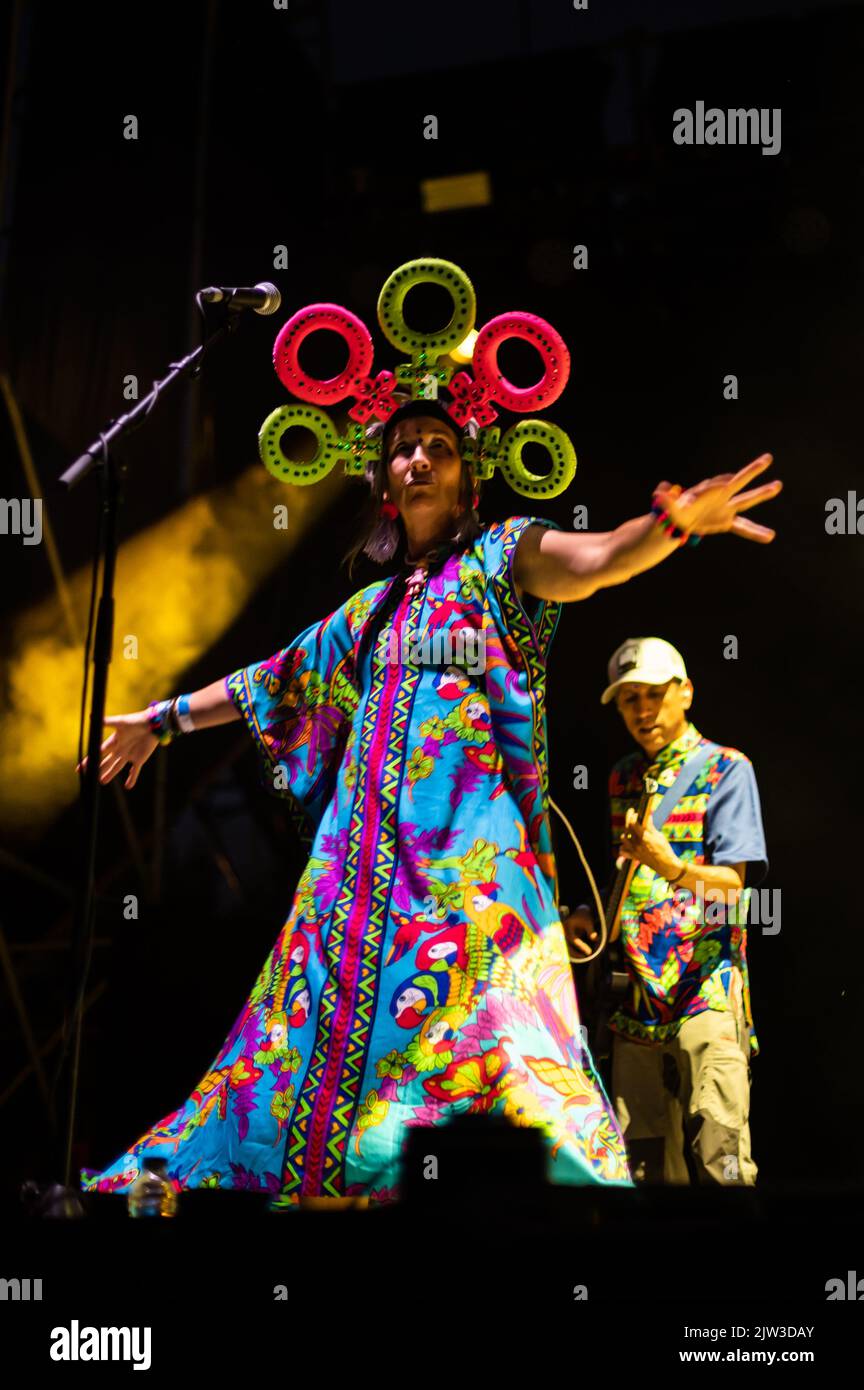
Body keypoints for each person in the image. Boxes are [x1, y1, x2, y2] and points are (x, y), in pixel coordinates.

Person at [78, 392, 781, 1208]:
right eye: (404, 448)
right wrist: (161, 721)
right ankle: (333, 1185)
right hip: (357, 878)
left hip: (473, 866)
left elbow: (596, 560)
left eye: (438, 448)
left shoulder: (501, 558)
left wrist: (674, 525)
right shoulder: (368, 613)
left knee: (498, 1036)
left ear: (465, 477)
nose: (417, 458)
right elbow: (265, 680)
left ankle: (540, 1203)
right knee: (306, 1042)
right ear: (384, 482)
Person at [564, 638, 769, 1186]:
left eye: (655, 694)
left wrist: (672, 865)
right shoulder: (622, 776)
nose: (643, 710)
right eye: (629, 699)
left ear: (686, 692)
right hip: (635, 1009)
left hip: (703, 995)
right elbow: (630, 882)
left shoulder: (728, 769)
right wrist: (589, 912)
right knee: (644, 1171)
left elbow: (734, 888)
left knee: (720, 1159)